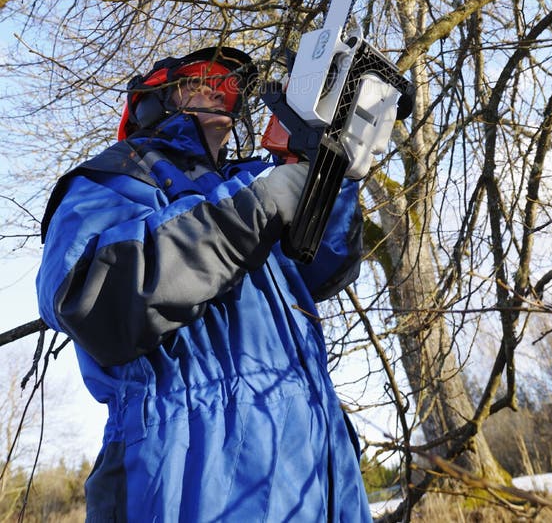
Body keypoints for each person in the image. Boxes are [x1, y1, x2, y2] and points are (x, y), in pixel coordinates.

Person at [36, 45, 373, 522]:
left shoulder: (253, 179)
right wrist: (257, 208)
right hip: (191, 466)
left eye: (228, 86)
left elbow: (325, 269)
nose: (220, 92)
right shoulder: (110, 180)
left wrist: (331, 180)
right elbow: (94, 301)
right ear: (152, 102)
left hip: (317, 463)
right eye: (198, 81)